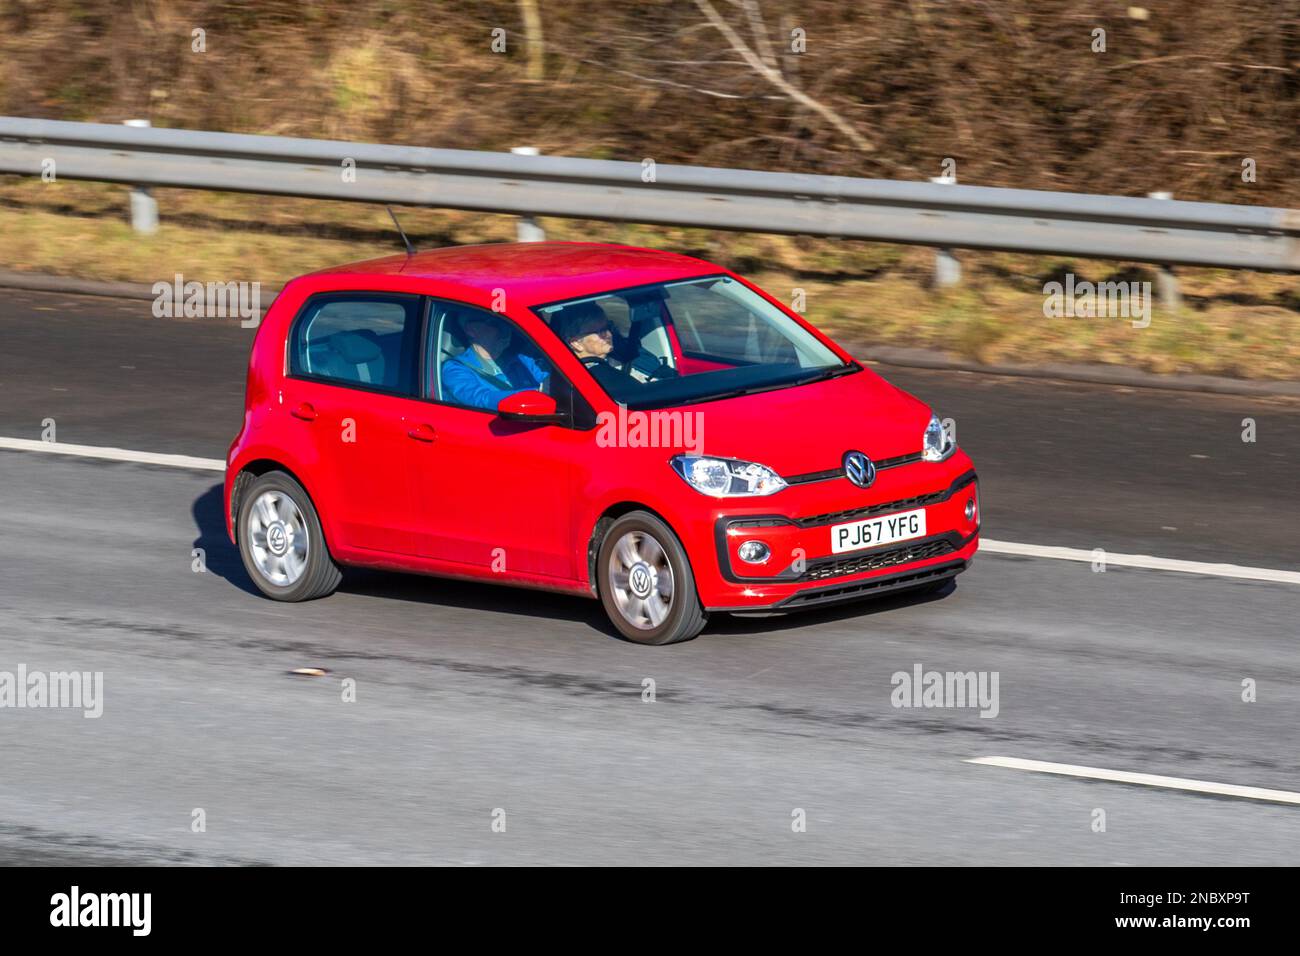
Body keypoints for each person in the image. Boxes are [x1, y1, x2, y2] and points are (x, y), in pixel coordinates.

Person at [442, 310, 550, 411]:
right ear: (471, 330)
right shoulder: (455, 369)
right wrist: (535, 394)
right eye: (496, 323)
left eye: (508, 324)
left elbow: (547, 382)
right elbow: (481, 399)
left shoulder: (521, 360)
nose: (507, 331)